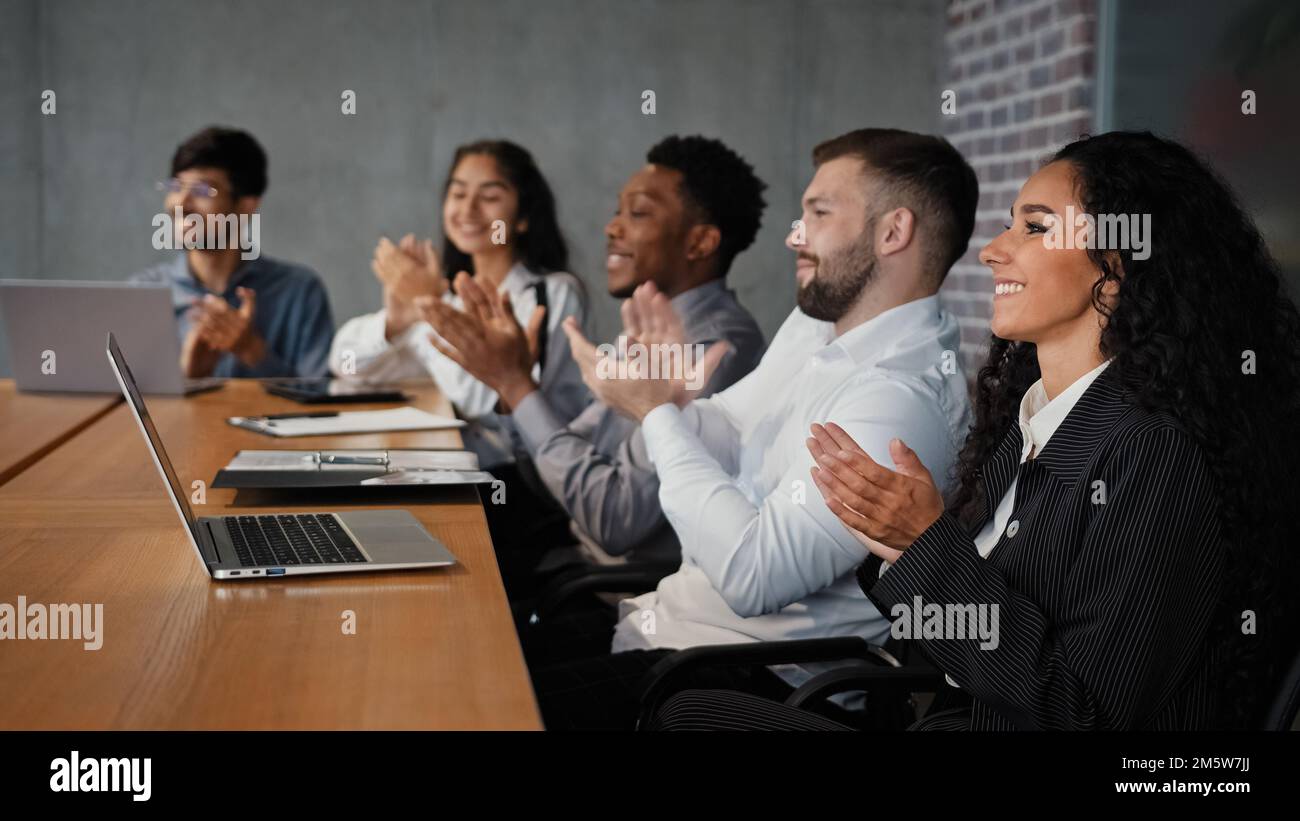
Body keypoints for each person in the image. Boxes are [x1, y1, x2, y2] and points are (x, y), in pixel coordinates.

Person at [657, 131, 1300, 731]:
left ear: (1119, 260)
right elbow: (941, 634)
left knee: (688, 713)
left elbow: (1084, 711)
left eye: (1036, 227)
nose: (994, 250)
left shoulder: (1152, 452)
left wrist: (922, 547)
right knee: (687, 708)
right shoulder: (1030, 417)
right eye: (1007, 224)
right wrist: (894, 544)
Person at [526, 128, 980, 729]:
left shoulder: (898, 401)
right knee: (467, 650)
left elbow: (753, 575)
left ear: (893, 232)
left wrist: (656, 413)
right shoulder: (817, 325)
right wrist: (675, 403)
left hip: (738, 682)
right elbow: (730, 429)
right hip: (666, 628)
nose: (797, 235)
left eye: (819, 213)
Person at [420, 136, 768, 597]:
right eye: (617, 211)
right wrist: (514, 389)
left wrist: (518, 386)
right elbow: (558, 471)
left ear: (700, 241)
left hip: (613, 597)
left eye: (638, 213)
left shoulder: (710, 346)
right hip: (567, 554)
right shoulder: (649, 324)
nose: (611, 228)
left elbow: (614, 520)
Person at [328, 139, 587, 469]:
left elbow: (489, 403)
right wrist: (397, 320)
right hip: (453, 469)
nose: (467, 211)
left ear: (523, 217)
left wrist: (427, 305)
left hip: (529, 482)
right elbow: (345, 363)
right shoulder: (449, 299)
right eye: (458, 194)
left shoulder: (550, 294)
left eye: (490, 197)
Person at [130, 126, 334, 378]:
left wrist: (253, 352)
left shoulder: (299, 291)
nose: (181, 203)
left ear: (246, 205)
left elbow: (321, 402)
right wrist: (188, 381)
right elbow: (123, 407)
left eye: (202, 190)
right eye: (176, 187)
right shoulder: (141, 295)